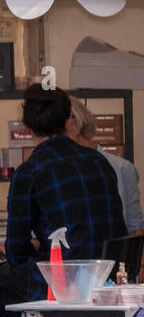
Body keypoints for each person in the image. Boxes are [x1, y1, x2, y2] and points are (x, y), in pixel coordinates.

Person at [4, 85, 127, 300]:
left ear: (26, 127)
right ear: (68, 121)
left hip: (61, 285)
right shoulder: (99, 161)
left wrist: (36, 247)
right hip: (106, 279)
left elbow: (15, 251)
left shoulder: (29, 172)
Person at [67, 97, 143, 237]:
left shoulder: (122, 168)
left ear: (74, 123)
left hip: (112, 255)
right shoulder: (57, 170)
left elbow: (135, 229)